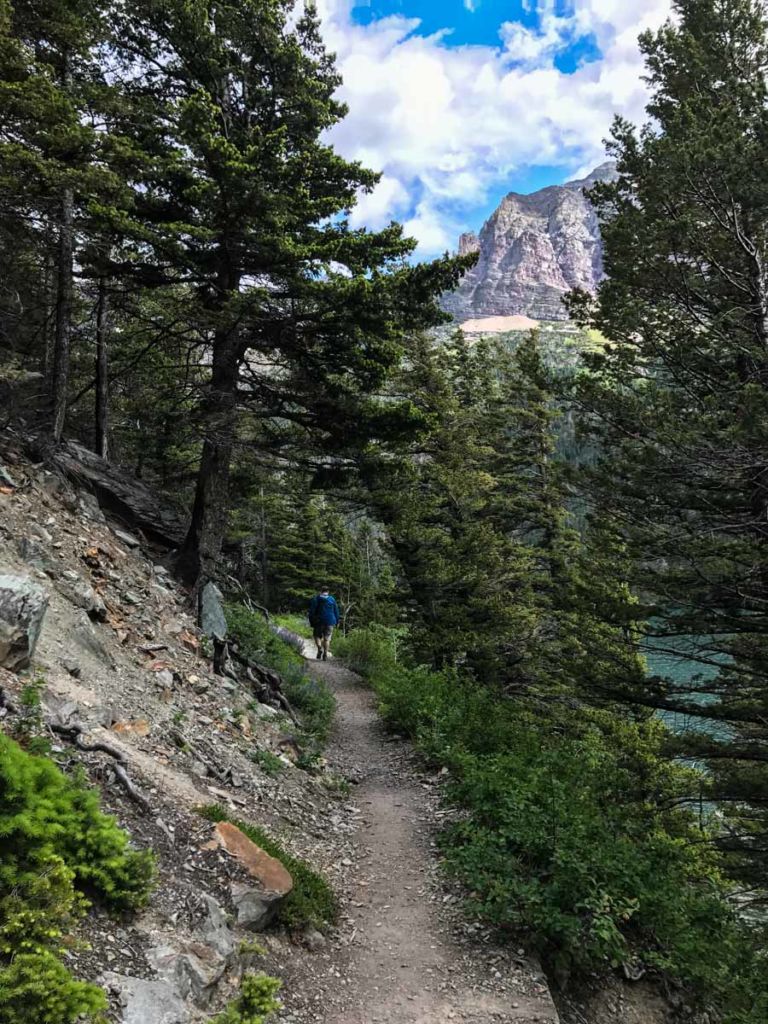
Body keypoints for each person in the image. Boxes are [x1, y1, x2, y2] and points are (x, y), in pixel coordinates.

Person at [308, 586, 340, 661]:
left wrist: (311, 621)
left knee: (316, 636)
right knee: (327, 639)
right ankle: (325, 653)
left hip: (319, 621)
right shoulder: (332, 599)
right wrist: (337, 621)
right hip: (330, 621)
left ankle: (319, 648)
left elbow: (312, 611)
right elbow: (336, 611)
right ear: (328, 592)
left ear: (321, 591)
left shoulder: (316, 599)